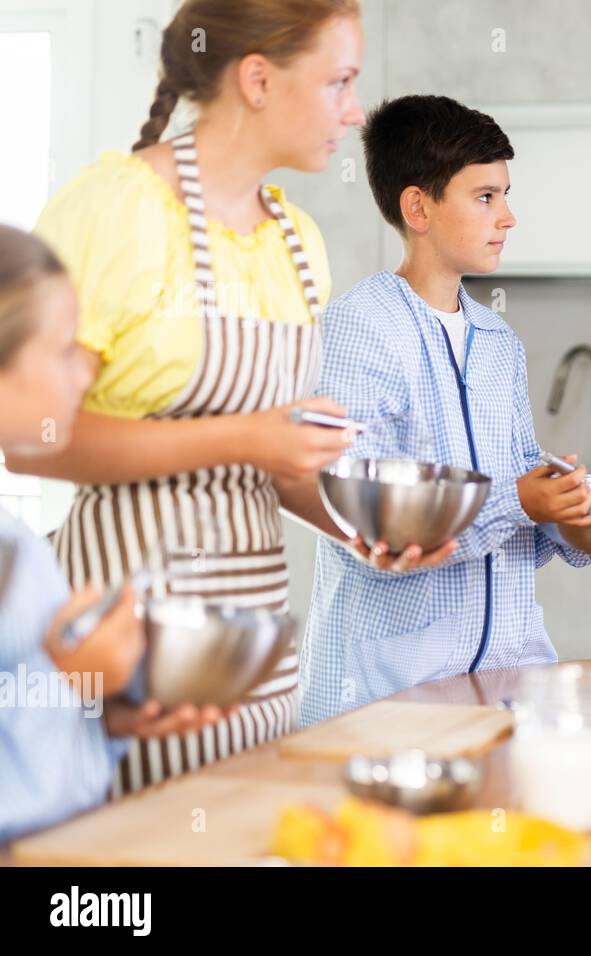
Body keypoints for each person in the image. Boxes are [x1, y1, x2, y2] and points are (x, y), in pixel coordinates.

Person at [5, 0, 366, 792]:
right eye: (339, 81)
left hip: (251, 650)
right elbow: (31, 434)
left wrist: (361, 527)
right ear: (259, 79)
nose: (354, 109)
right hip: (133, 648)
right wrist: (244, 438)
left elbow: (274, 458)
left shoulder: (297, 243)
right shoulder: (116, 209)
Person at [293, 95, 591, 724]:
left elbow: (519, 510)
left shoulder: (499, 343)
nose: (508, 217)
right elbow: (368, 520)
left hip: (508, 688)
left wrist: (578, 518)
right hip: (389, 698)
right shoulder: (361, 328)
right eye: (485, 197)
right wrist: (519, 500)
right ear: (417, 207)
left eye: (505, 195)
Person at [0, 225, 149, 840]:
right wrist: (69, 681)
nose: (84, 376)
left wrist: (106, 715)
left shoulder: (18, 546)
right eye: (64, 351)